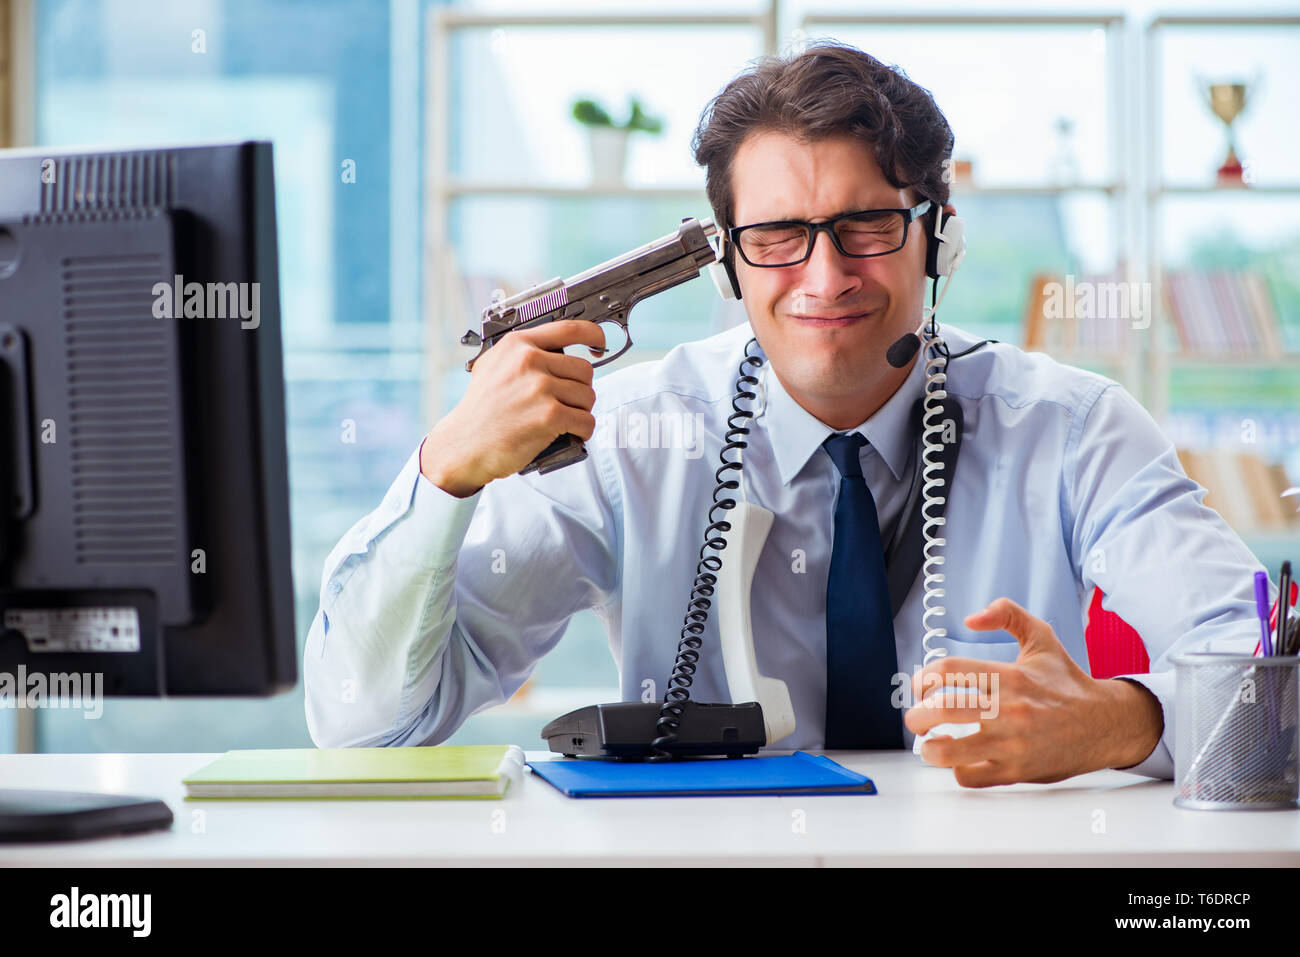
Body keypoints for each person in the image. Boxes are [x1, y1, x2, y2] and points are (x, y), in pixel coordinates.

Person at [304, 42, 1262, 786]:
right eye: (776, 236)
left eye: (868, 225)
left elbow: (1266, 688)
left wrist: (1120, 719)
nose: (825, 276)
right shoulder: (629, 439)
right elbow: (363, 724)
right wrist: (444, 474)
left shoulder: (1075, 427)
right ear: (728, 259)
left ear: (939, 239)